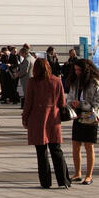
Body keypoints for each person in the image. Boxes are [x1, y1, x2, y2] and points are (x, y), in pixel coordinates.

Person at [21, 57, 70, 189]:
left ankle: (45, 181)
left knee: (41, 152)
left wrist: (25, 118)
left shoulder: (33, 82)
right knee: (56, 150)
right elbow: (62, 103)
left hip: (37, 119)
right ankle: (63, 180)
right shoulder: (57, 81)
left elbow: (28, 103)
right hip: (53, 119)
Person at [68, 59, 99, 184]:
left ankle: (89, 175)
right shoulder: (75, 82)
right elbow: (70, 97)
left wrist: (83, 104)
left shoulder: (94, 83)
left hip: (90, 116)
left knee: (89, 146)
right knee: (75, 145)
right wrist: (71, 103)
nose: (77, 72)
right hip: (78, 115)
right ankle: (77, 173)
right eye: (75, 70)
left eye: (79, 70)